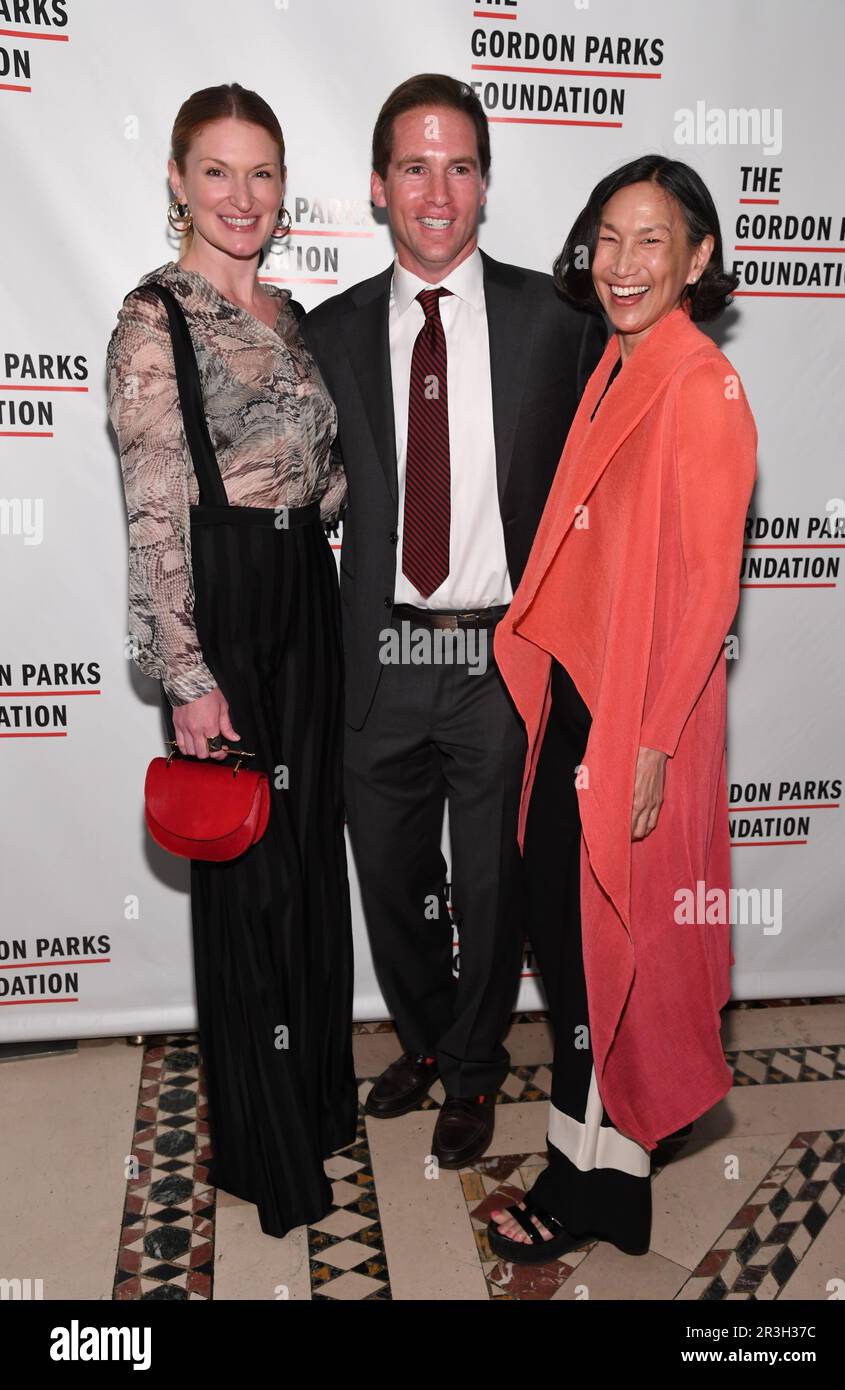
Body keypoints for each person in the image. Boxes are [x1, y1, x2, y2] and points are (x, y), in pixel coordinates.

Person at [302, 74, 606, 1169]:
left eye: (461, 165)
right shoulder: (325, 333)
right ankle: (429, 1039)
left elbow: (608, 485)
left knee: (487, 880)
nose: (439, 190)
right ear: (378, 187)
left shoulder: (553, 320)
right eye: (415, 167)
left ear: (484, 182)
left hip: (499, 652)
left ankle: (474, 1068)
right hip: (379, 649)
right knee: (389, 878)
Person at [489, 155, 758, 1261]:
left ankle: (596, 1189)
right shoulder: (617, 363)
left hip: (636, 723)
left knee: (612, 949)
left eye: (651, 239)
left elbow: (704, 587)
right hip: (581, 702)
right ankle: (580, 1159)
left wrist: (644, 738)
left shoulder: (700, 383)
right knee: (569, 933)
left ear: (697, 259)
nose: (622, 261)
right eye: (606, 236)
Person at [106, 83, 357, 1239]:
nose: (241, 196)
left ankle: (310, 1109)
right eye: (217, 172)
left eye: (261, 173)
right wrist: (187, 671)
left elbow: (321, 476)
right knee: (247, 875)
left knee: (304, 858)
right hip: (226, 598)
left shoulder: (293, 314)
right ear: (176, 181)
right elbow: (154, 506)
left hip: (305, 588)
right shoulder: (153, 318)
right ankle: (265, 1149)